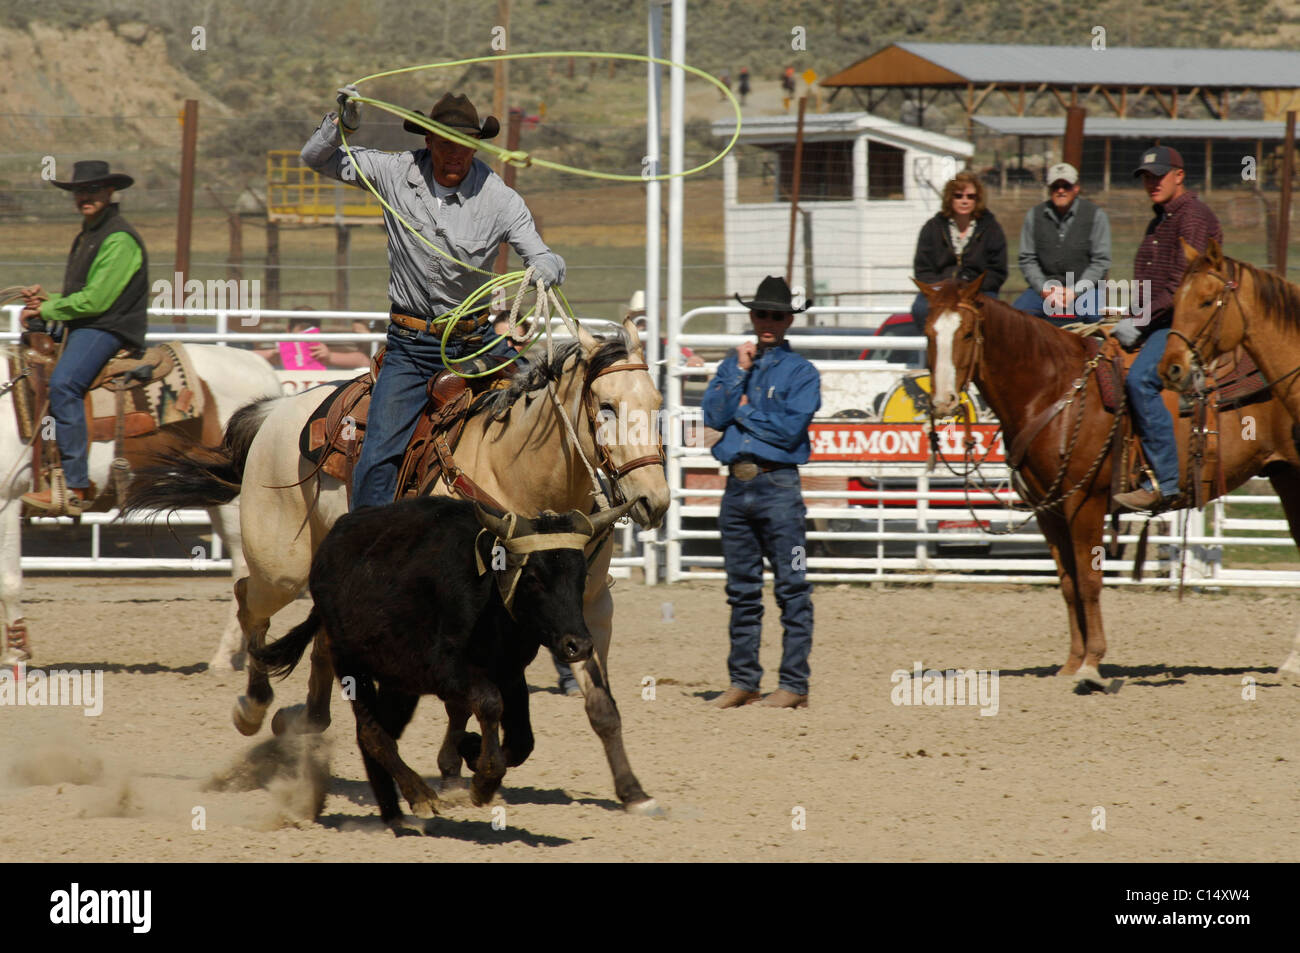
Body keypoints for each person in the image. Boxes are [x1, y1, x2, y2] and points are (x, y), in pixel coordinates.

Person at [301, 88, 566, 510]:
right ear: (428, 141)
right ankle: (369, 542)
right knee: (379, 454)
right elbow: (316, 159)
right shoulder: (392, 172)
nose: (456, 153)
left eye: (465, 144)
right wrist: (342, 125)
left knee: (542, 415)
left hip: (476, 342)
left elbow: (541, 256)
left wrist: (548, 268)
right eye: (446, 142)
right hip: (411, 347)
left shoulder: (499, 198)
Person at [702, 276, 821, 709]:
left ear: (788, 320)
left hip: (779, 487)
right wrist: (739, 377)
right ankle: (744, 680)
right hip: (739, 486)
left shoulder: (802, 372)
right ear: (753, 317)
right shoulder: (734, 365)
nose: (768, 321)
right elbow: (713, 414)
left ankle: (794, 684)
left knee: (792, 586)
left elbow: (791, 432)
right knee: (742, 590)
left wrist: (743, 410)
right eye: (762, 314)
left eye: (776, 315)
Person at [18, 160, 147, 516]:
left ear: (109, 192)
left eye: (92, 190)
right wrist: (50, 302)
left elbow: (98, 300)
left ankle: (74, 486)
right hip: (91, 323)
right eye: (79, 191)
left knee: (63, 385)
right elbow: (85, 295)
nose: (84, 197)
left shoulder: (118, 238)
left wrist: (48, 310)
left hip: (109, 327)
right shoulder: (90, 234)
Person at [1112, 145, 1223, 512]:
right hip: (1158, 320)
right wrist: (1128, 317)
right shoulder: (1159, 220)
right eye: (1146, 177)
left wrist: (1139, 320)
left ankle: (1165, 481)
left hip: (1186, 324)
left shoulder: (1192, 217)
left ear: (1179, 175)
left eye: (1158, 176)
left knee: (1140, 380)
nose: (1151, 183)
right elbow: (1148, 284)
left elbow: (1182, 285)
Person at [1012, 162, 1112, 325]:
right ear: (1049, 189)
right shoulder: (1034, 216)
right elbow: (1027, 259)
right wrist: (1044, 289)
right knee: (1017, 317)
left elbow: (1100, 262)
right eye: (1055, 186)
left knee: (1096, 320)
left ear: (1076, 188)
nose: (1060, 190)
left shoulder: (1095, 216)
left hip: (1084, 289)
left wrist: (1075, 291)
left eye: (1066, 186)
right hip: (1044, 288)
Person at [910, 172, 1007, 333]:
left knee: (994, 315)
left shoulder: (991, 228)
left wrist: (971, 288)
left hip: (978, 290)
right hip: (941, 289)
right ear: (950, 198)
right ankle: (936, 351)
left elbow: (997, 271)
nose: (964, 201)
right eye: (958, 196)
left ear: (977, 200)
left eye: (970, 197)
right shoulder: (933, 227)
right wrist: (943, 288)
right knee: (920, 309)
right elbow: (922, 268)